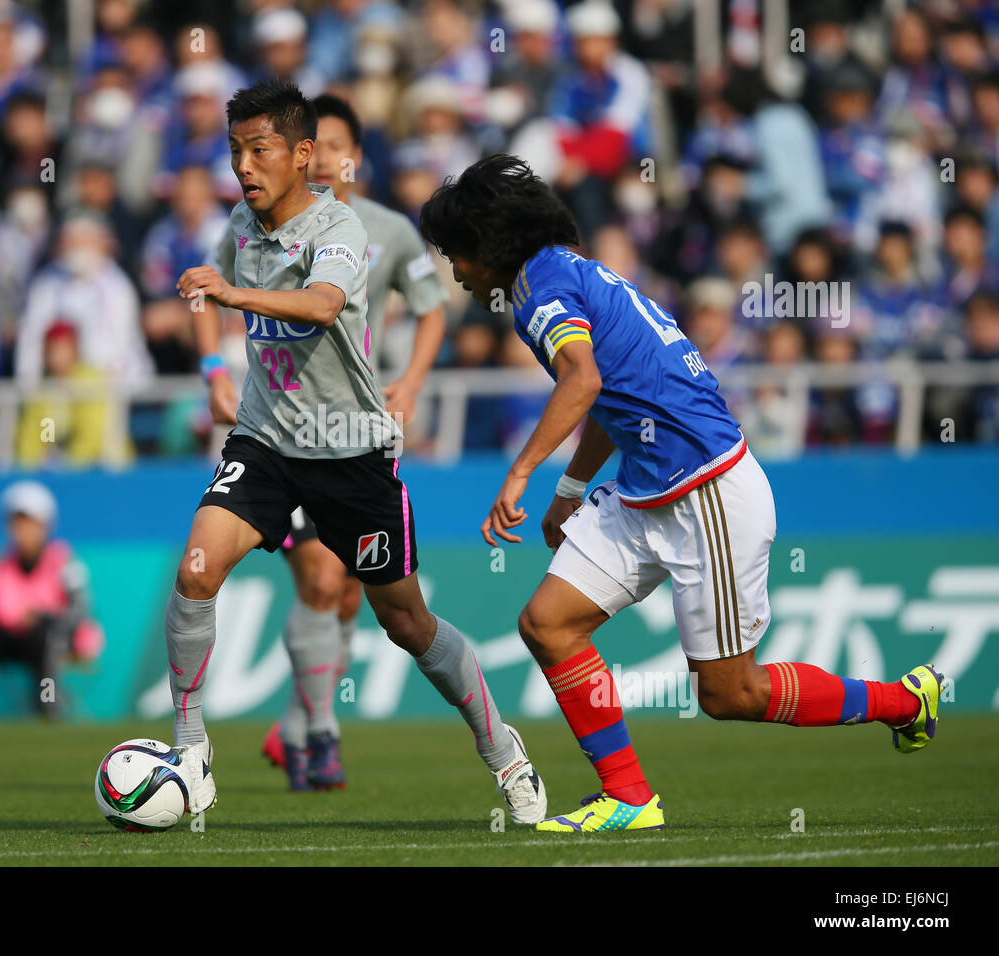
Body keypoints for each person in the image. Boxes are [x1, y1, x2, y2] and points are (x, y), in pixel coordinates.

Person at [419, 156, 941, 833]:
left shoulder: (541, 289)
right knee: (548, 624)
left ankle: (903, 702)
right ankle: (629, 798)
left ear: (486, 242)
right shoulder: (561, 273)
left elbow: (582, 382)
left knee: (731, 694)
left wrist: (521, 474)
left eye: (456, 252)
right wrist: (572, 487)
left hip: (707, 492)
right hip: (648, 485)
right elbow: (608, 390)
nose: (456, 270)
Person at [168, 81, 547, 823]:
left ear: (302, 155)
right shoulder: (238, 225)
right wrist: (214, 367)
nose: (243, 165)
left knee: (406, 622)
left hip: (351, 451)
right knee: (197, 569)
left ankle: (503, 750)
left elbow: (322, 305)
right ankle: (191, 750)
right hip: (266, 439)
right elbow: (204, 294)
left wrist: (233, 297)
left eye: (259, 149)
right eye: (236, 150)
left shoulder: (341, 227)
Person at [210, 93, 448, 791]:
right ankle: (320, 734)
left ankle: (295, 725)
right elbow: (209, 283)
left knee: (350, 596)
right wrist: (213, 369)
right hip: (283, 433)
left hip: (355, 432)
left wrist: (411, 382)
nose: (326, 161)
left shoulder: (385, 230)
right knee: (320, 580)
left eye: (339, 147)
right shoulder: (255, 223)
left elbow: (432, 310)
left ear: (352, 157)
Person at [0, 481, 103, 717]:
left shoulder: (64, 561)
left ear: (45, 525)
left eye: (29, 523)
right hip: (10, 637)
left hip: (51, 636)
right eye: (16, 523)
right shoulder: (1, 561)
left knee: (44, 639)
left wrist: (44, 617)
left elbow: (80, 609)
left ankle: (47, 708)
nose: (21, 531)